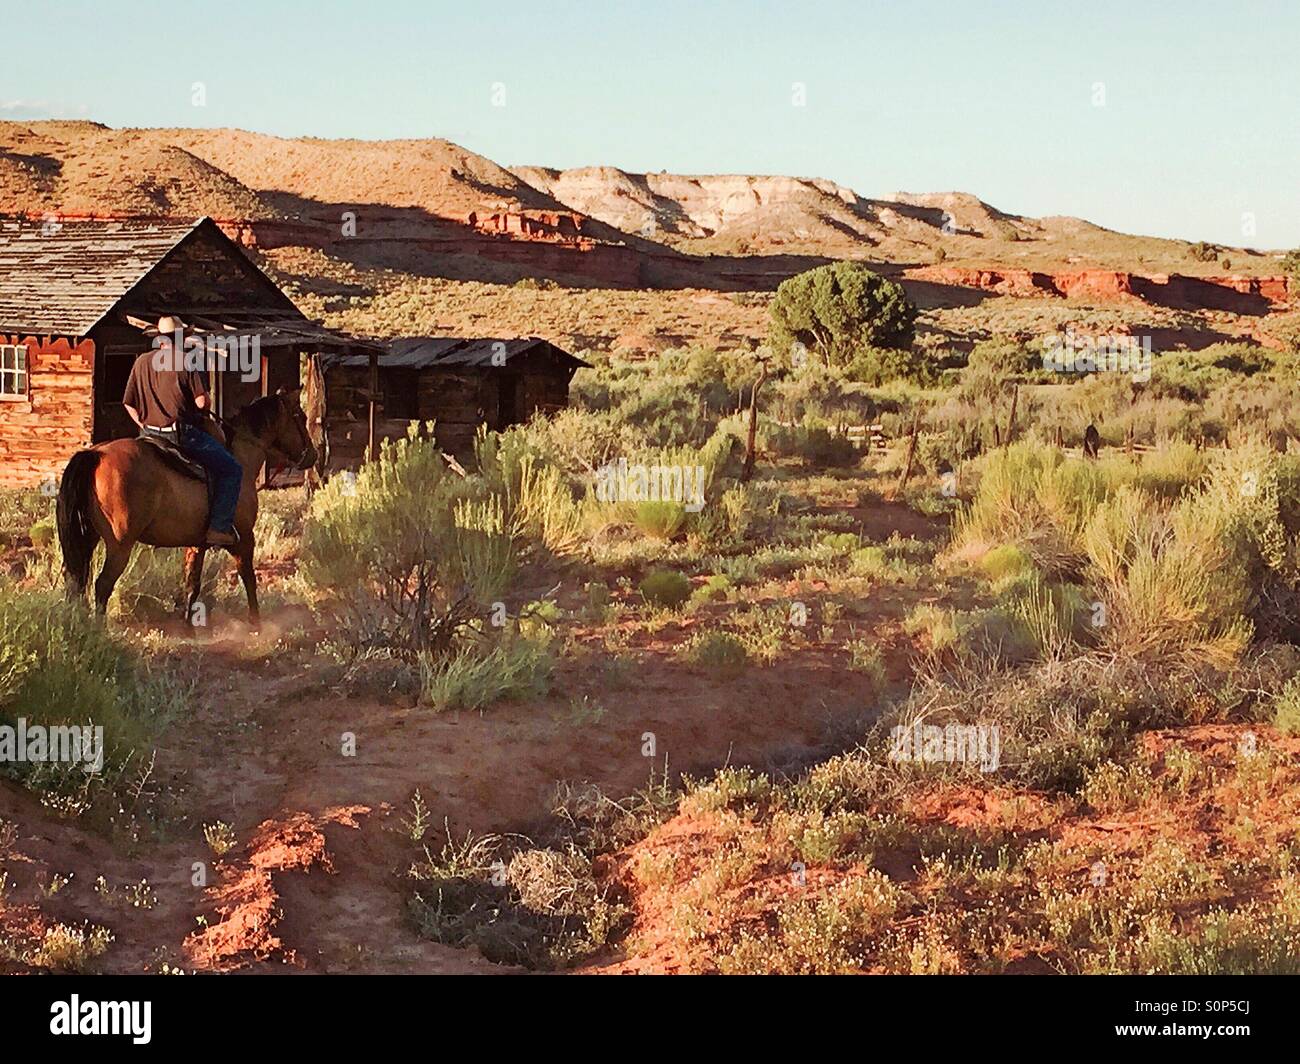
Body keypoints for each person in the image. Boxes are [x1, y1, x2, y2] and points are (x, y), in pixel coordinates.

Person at [121, 316, 242, 547]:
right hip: (180, 435)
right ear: (180, 337)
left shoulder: (142, 362)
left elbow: (128, 403)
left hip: (148, 435)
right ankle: (219, 528)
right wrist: (206, 401)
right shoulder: (188, 361)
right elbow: (200, 403)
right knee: (231, 469)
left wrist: (143, 425)